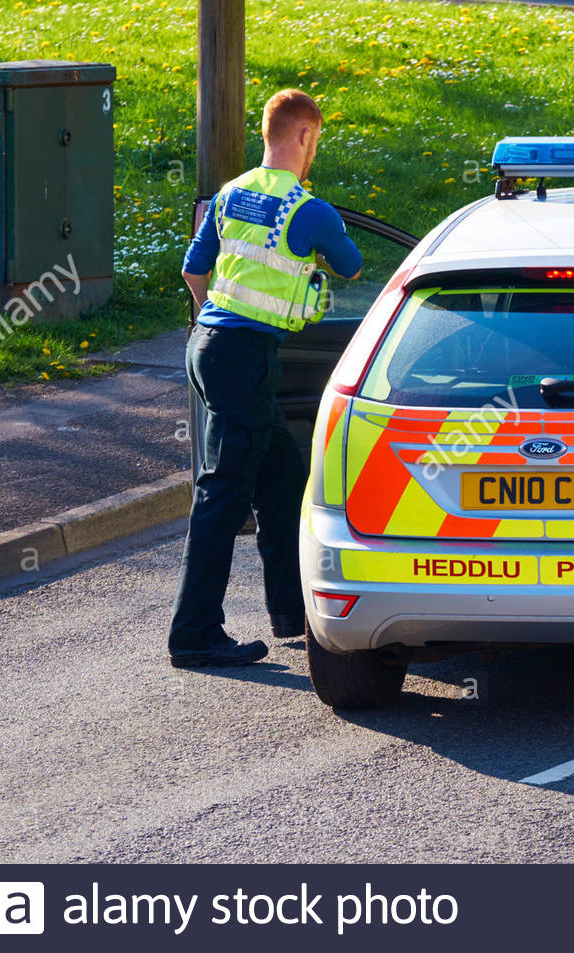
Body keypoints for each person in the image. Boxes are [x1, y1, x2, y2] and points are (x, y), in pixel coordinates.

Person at [169, 89, 361, 667]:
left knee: (283, 476)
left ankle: (289, 612)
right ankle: (195, 634)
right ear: (305, 136)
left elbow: (193, 269)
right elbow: (351, 265)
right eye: (317, 140)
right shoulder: (308, 209)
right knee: (222, 496)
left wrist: (214, 320)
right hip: (243, 358)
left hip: (210, 347)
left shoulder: (231, 193)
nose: (314, 151)